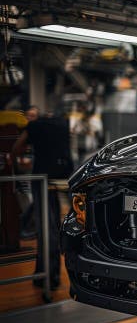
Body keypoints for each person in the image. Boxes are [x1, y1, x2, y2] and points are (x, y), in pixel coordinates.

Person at [13, 109, 73, 289]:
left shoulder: (34, 127)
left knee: (46, 228)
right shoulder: (62, 124)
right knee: (60, 225)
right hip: (65, 176)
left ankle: (49, 277)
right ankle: (52, 273)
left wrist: (19, 164)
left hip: (43, 178)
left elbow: (16, 149)